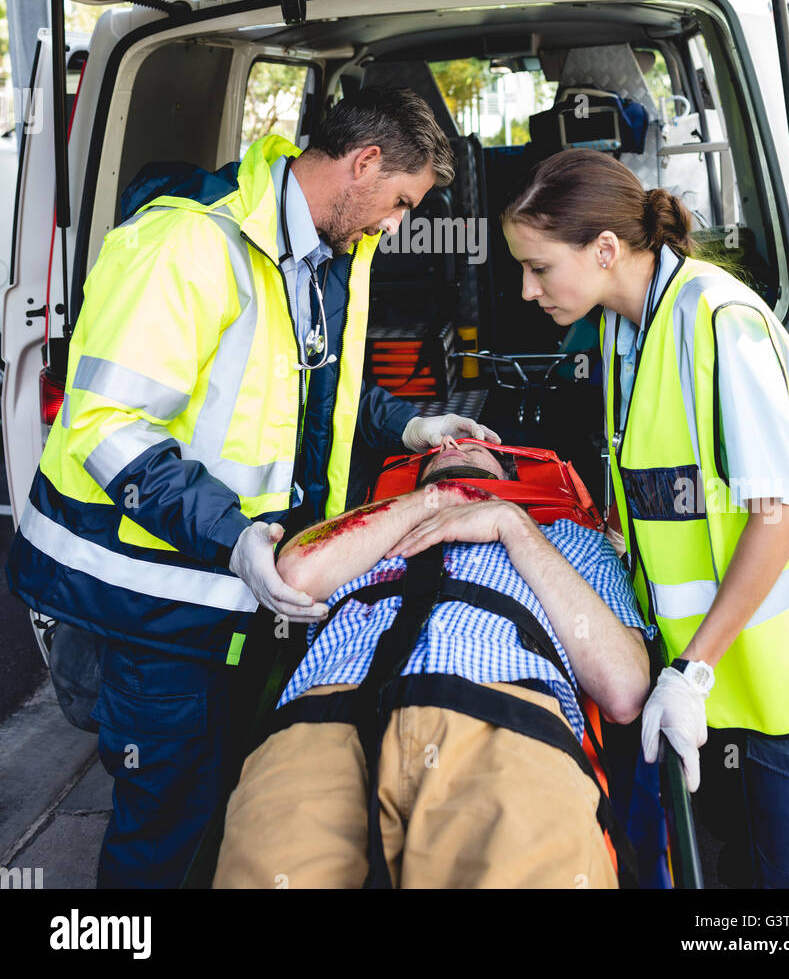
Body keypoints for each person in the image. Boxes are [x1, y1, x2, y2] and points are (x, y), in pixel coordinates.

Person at [6, 88, 498, 889]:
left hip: (231, 592)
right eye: (402, 202)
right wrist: (237, 537)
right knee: (168, 821)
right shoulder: (186, 246)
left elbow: (313, 396)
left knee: (223, 800)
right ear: (363, 163)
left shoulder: (319, 257)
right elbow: (108, 429)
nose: (398, 224)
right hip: (153, 602)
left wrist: (412, 428)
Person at [501, 146, 789, 890]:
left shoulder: (717, 322)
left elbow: (777, 520)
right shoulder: (621, 331)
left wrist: (692, 672)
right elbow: (673, 494)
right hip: (726, 678)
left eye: (540, 267)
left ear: (605, 250)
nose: (528, 290)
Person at [212, 437, 652, 890]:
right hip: (324, 722)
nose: (453, 444)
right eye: (444, 447)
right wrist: (432, 499)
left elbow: (625, 688)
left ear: (506, 474)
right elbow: (294, 577)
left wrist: (511, 524)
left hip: (506, 724)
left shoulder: (570, 540)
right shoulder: (369, 530)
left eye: (476, 446)